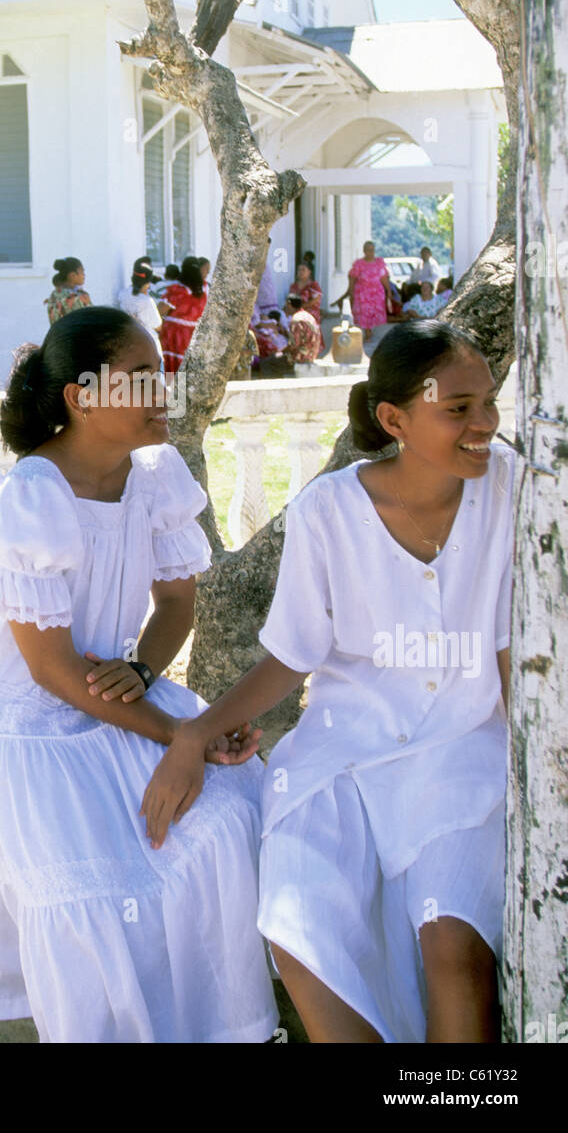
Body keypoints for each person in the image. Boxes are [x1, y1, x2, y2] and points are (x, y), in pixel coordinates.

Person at [139, 319, 515, 1044]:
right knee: (298, 932)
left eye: (489, 402)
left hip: (464, 756)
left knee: (454, 950)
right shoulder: (329, 511)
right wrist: (194, 734)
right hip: (341, 760)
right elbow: (292, 655)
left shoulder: (512, 492)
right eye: (458, 408)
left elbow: (507, 657)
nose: (485, 425)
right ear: (393, 419)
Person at [0, 306, 279, 1044]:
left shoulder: (154, 476)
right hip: (23, 730)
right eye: (141, 378)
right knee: (96, 900)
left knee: (232, 821)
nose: (163, 394)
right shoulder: (32, 498)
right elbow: (50, 671)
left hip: (115, 699)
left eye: (162, 374)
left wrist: (144, 670)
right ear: (82, 398)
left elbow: (178, 602)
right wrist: (183, 734)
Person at [160, 256, 208, 375]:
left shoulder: (178, 291)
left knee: (171, 369)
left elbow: (160, 310)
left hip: (173, 335)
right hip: (193, 335)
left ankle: (172, 392)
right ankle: (182, 393)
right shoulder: (204, 289)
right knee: (185, 370)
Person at [116, 262, 164, 353]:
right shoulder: (147, 301)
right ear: (148, 283)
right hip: (148, 346)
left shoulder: (122, 294)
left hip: (129, 343)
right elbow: (158, 326)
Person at [347, 241, 391, 340]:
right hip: (363, 293)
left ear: (374, 251)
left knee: (373, 313)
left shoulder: (379, 263)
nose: (370, 252)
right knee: (364, 312)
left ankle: (369, 330)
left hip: (376, 292)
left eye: (371, 250)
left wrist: (389, 291)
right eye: (367, 250)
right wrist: (351, 291)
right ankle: (367, 331)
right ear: (364, 251)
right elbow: (353, 278)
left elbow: (383, 278)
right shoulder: (359, 264)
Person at [269, 294, 322, 374]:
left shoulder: (296, 319)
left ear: (289, 304)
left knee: (267, 362)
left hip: (300, 357)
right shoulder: (308, 316)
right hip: (312, 355)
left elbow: (293, 345)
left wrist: (279, 351)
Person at [287, 261, 324, 353]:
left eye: (303, 270)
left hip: (310, 313)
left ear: (309, 272)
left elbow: (316, 299)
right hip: (296, 313)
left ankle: (312, 351)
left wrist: (302, 307)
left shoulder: (313, 285)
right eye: (299, 270)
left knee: (310, 331)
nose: (300, 272)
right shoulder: (294, 286)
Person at [44, 257, 92, 325]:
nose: (84, 274)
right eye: (82, 271)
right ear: (72, 275)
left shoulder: (53, 296)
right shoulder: (78, 298)